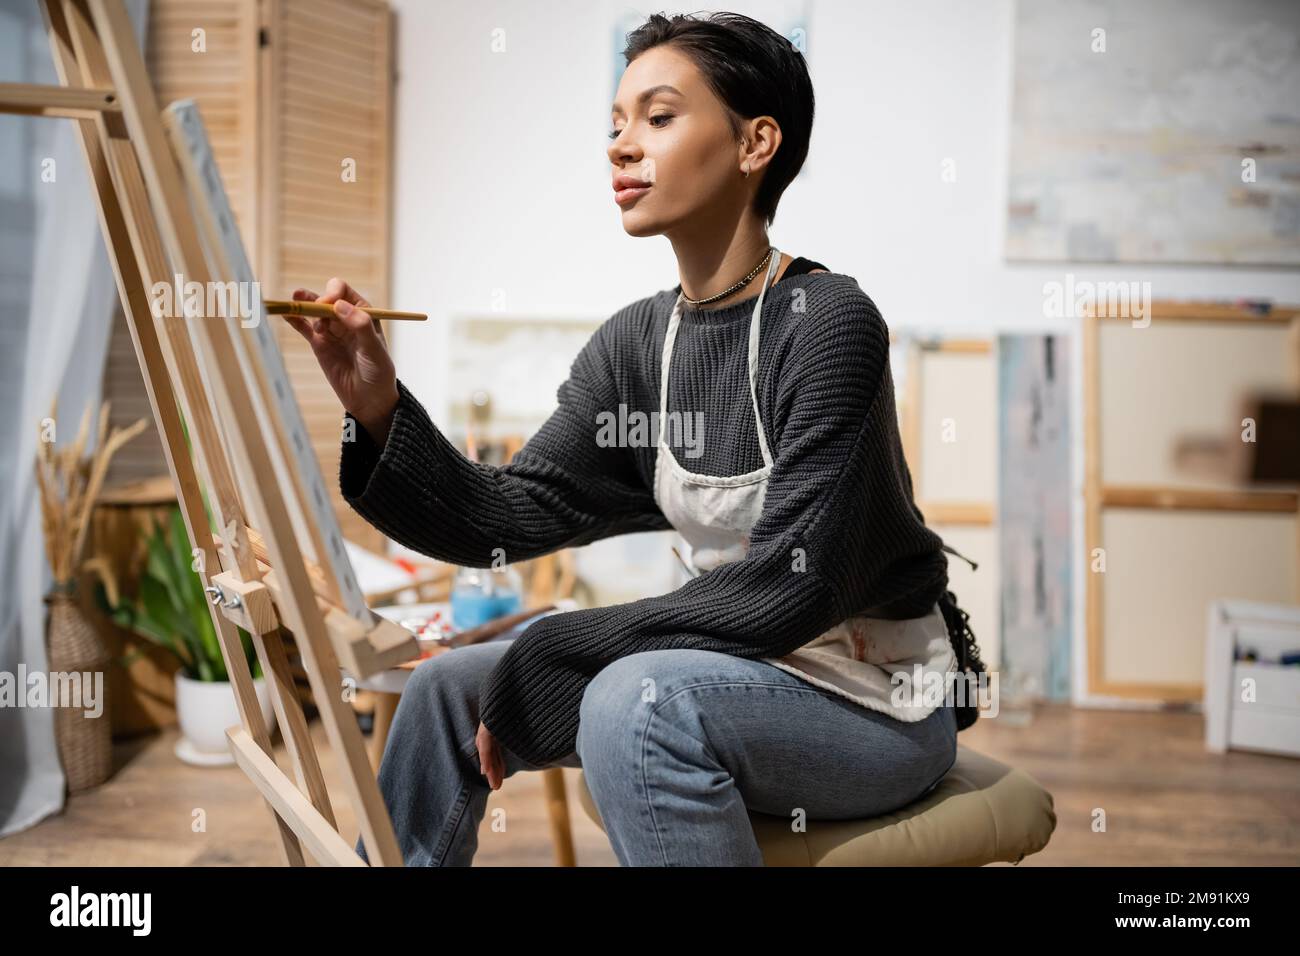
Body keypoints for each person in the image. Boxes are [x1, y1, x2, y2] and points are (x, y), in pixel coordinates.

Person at [287, 11, 983, 866]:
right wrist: (382, 407)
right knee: (440, 690)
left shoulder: (830, 324)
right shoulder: (635, 346)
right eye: (613, 125)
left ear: (755, 142)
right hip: (721, 671)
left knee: (638, 698)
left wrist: (558, 644)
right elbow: (508, 516)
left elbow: (791, 588)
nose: (621, 147)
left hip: (875, 698)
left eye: (657, 118)